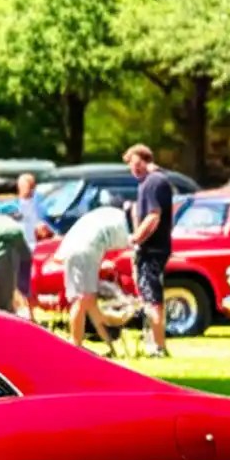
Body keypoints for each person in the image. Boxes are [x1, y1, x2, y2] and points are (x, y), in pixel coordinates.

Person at [54, 205, 132, 355]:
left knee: (90, 302)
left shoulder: (109, 216)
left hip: (83, 252)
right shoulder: (120, 221)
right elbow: (127, 243)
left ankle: (110, 346)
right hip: (85, 253)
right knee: (82, 300)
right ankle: (75, 345)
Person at [124, 144, 174, 358]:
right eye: (130, 166)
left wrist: (135, 238)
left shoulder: (153, 182)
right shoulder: (153, 182)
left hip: (152, 249)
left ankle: (158, 346)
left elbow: (154, 216)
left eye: (135, 163)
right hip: (156, 247)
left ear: (145, 160)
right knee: (150, 296)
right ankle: (154, 343)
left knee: (152, 297)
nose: (133, 169)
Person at [12, 173, 51, 249]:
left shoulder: (40, 200)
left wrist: (44, 226)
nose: (31, 189)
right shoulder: (13, 204)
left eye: (32, 186)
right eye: (28, 186)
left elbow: (46, 218)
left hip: (37, 243)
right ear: (19, 187)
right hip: (20, 245)